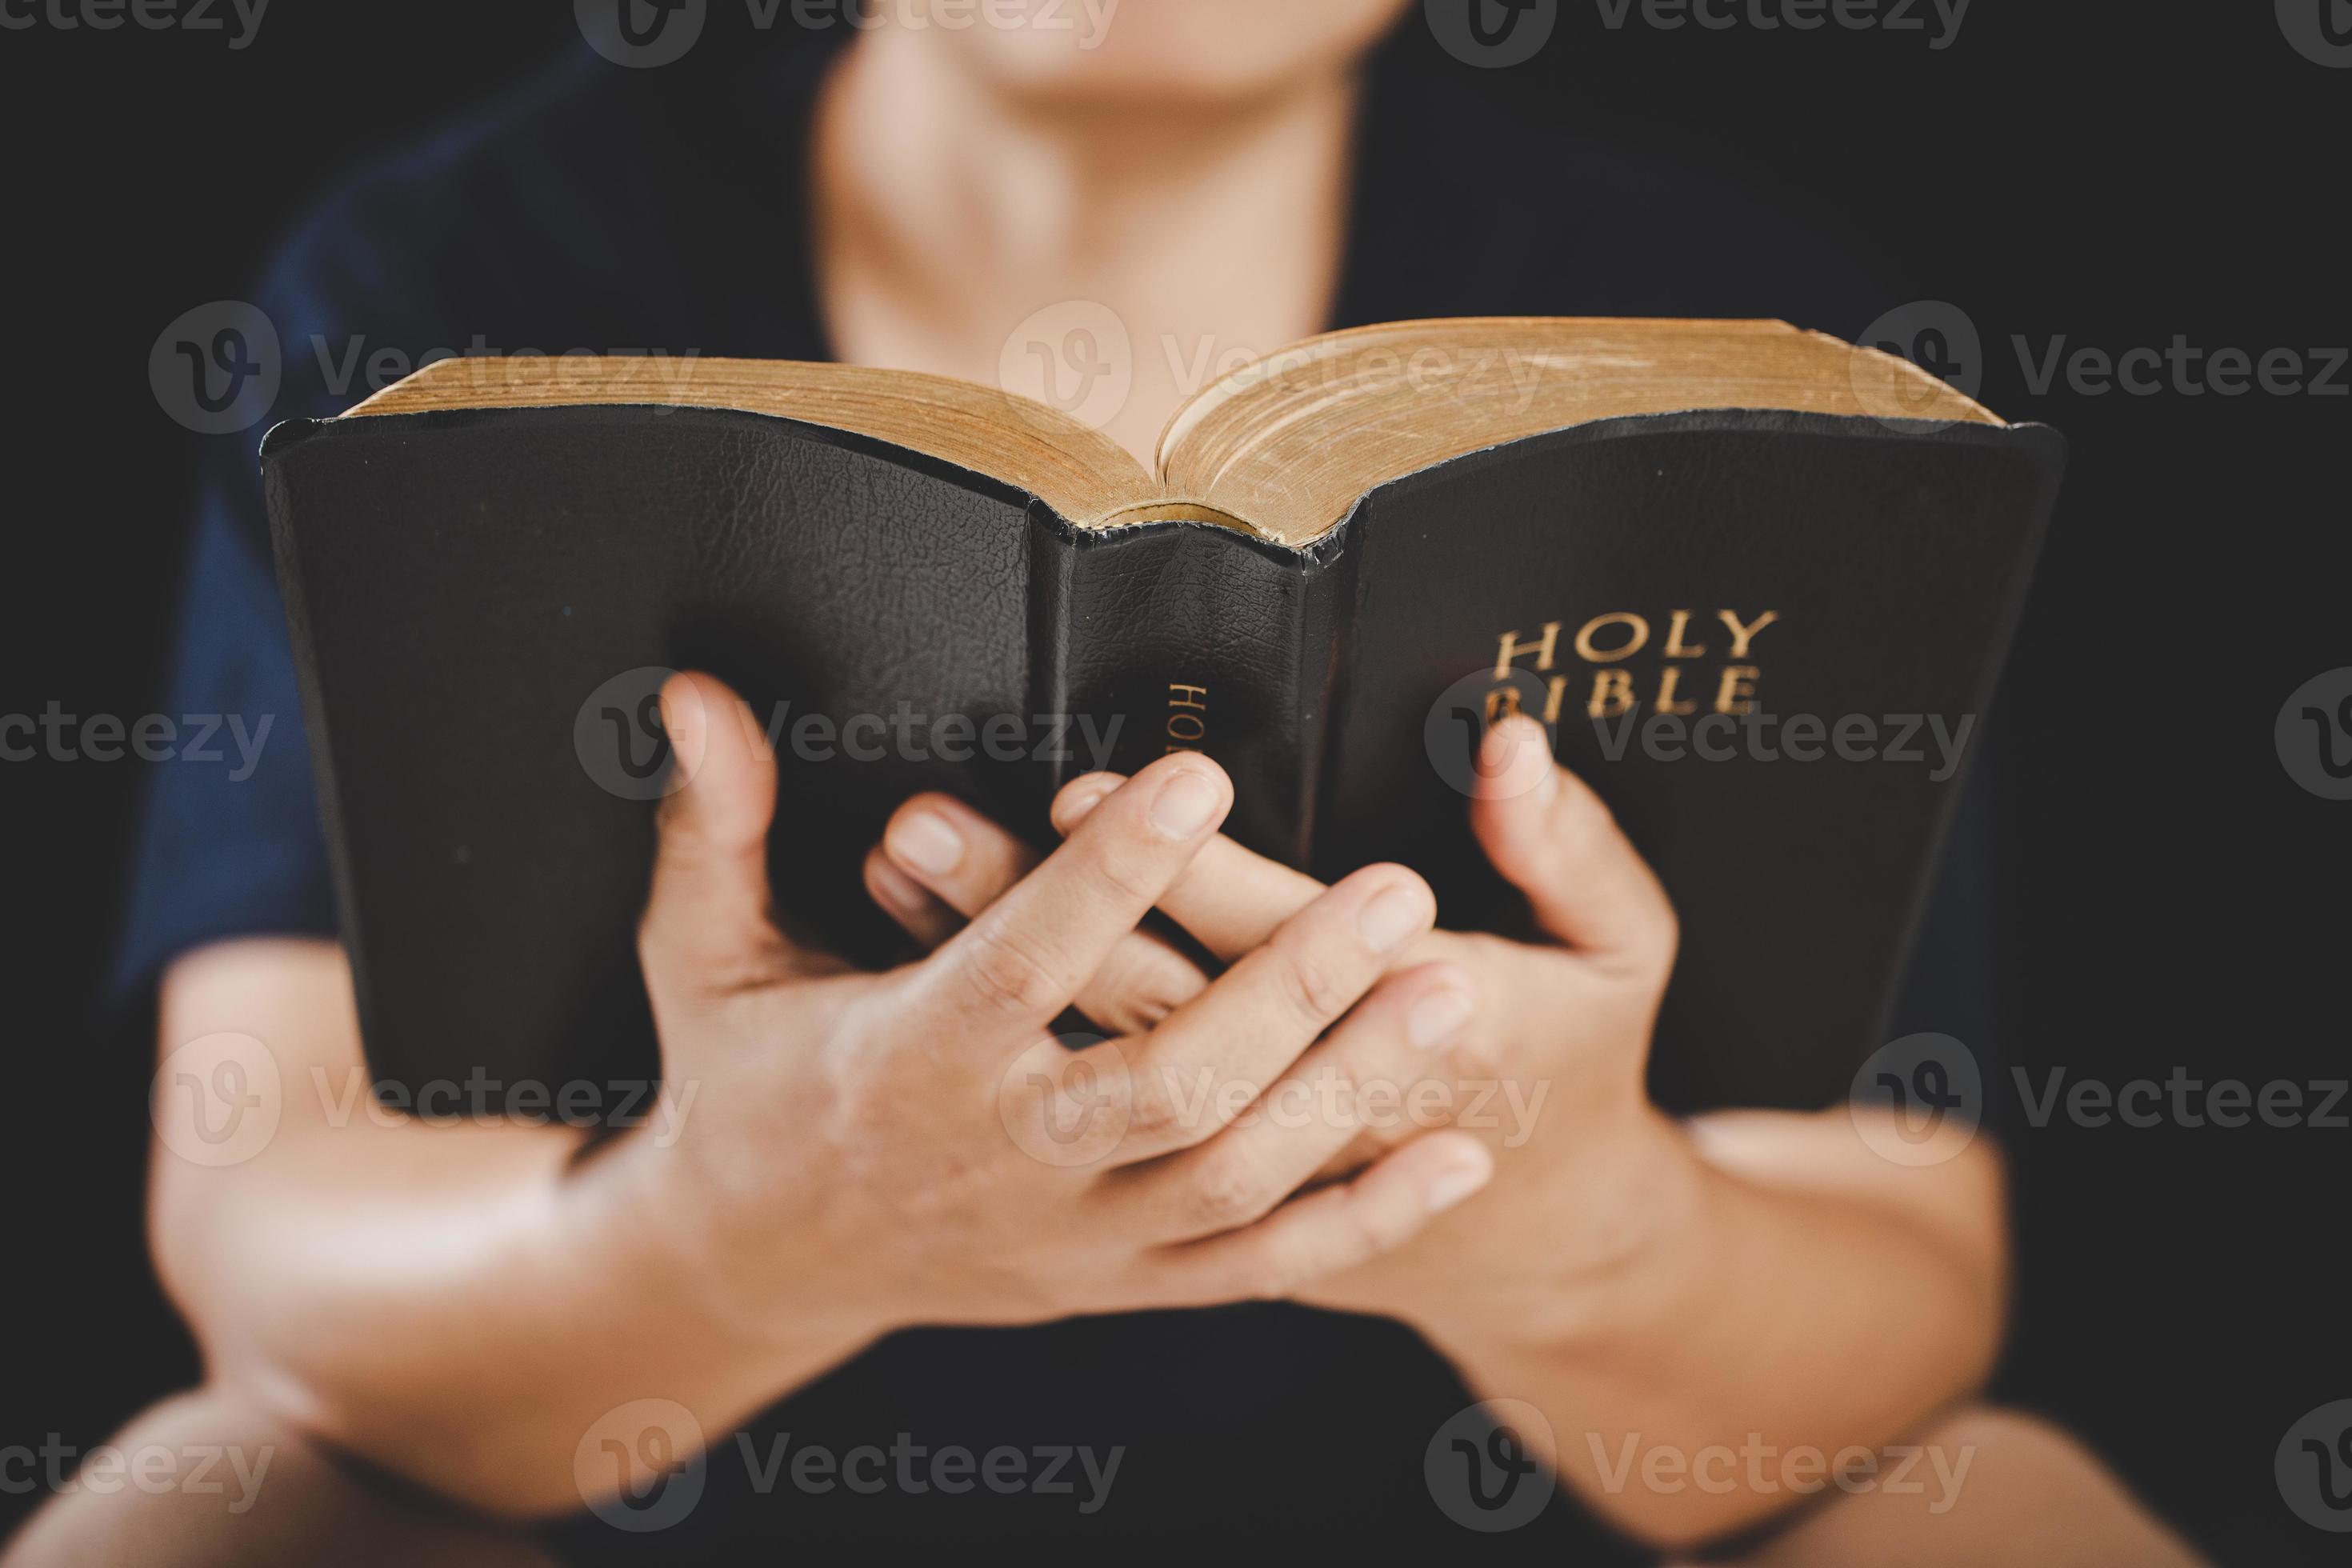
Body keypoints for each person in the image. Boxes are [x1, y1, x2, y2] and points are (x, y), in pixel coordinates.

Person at [12, 4, 2199, 1562]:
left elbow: (1903, 1310)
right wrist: (746, 1232)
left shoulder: (1737, 351)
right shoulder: (444, 306)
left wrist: (1564, 1217)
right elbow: (271, 1247)